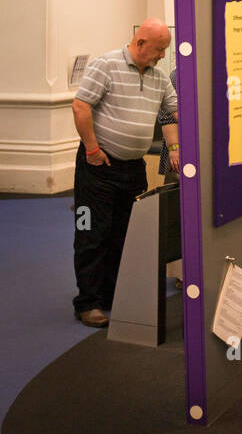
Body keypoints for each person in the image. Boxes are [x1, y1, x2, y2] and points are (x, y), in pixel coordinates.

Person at [71, 20, 178, 328]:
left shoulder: (158, 78)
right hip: (97, 168)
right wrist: (92, 149)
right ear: (140, 42)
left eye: (165, 51)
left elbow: (174, 110)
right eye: (159, 49)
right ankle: (87, 302)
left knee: (124, 235)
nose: (161, 56)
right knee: (92, 234)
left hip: (132, 169)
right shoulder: (106, 65)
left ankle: (111, 296)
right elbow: (80, 106)